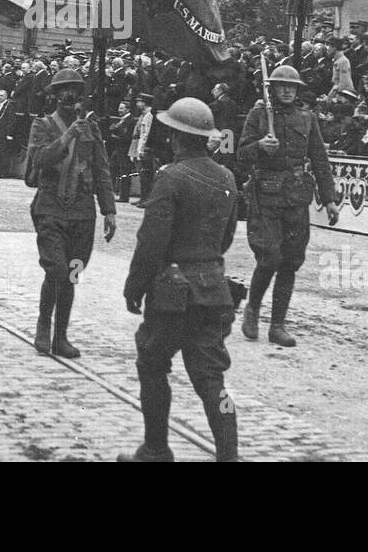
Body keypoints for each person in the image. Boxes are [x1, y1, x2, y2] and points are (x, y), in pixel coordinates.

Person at [119, 97, 240, 462]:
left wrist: (134, 286)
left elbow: (151, 241)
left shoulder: (170, 176)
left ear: (174, 135)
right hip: (214, 291)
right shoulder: (227, 177)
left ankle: (156, 449)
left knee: (153, 365)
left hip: (172, 295)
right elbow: (227, 237)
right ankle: (228, 457)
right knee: (211, 380)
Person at [236, 65, 339, 347]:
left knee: (291, 261)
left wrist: (329, 199)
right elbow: (240, 155)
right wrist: (259, 146)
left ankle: (278, 325)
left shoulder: (307, 119)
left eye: (291, 87)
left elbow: (319, 160)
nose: (286, 91)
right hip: (266, 196)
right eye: (281, 86)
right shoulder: (258, 116)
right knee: (268, 257)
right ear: (272, 88)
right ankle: (253, 308)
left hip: (296, 197)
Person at [23, 67, 117, 359]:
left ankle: (61, 336)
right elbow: (39, 159)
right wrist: (66, 138)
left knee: (72, 274)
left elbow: (100, 169)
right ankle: (43, 324)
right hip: (50, 207)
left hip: (82, 212)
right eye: (62, 90)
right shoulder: (43, 124)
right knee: (57, 269)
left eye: (74, 90)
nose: (68, 95)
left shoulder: (91, 126)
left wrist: (109, 211)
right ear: (54, 95)